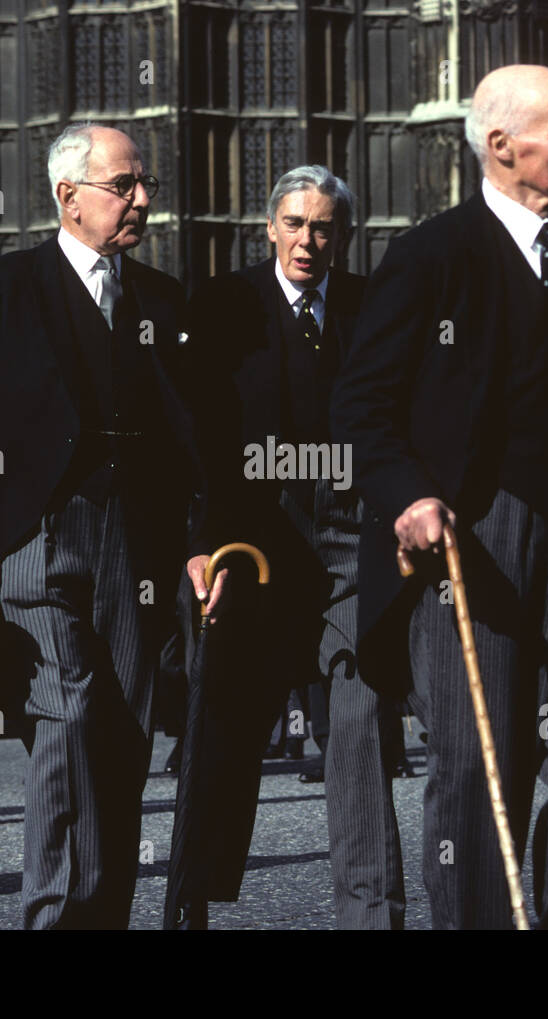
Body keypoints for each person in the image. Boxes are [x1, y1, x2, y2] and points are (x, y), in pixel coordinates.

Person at [331, 64, 548, 929]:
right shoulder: (433, 253)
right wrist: (408, 496)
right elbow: (359, 404)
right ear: (501, 146)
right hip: (472, 538)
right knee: (474, 767)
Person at [0, 123, 208, 929]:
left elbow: (190, 437)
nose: (142, 199)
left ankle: (103, 913)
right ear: (68, 195)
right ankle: (52, 913)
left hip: (137, 544)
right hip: (37, 536)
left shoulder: (160, 299)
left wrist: (197, 541)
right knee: (69, 712)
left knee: (122, 728)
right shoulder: (0, 287)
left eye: (143, 183)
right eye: (124, 185)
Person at [185, 165, 407, 928]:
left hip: (349, 537)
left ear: (342, 236)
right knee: (226, 726)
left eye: (323, 228)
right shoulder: (223, 306)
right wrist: (201, 541)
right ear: (269, 227)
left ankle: (371, 909)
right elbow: (198, 435)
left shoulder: (368, 306)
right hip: (256, 540)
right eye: (295, 223)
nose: (308, 240)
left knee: (360, 721)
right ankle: (194, 897)